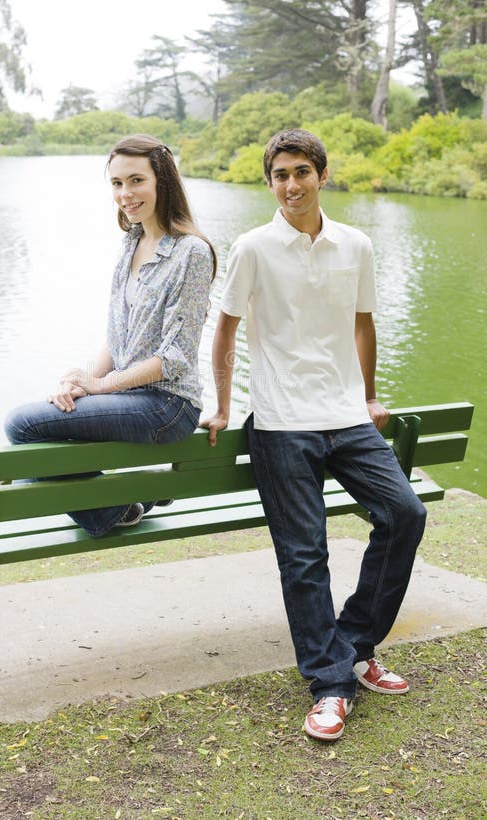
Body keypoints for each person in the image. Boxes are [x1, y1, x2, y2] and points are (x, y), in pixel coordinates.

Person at [201, 128, 426, 741]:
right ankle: (330, 682)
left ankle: (353, 644)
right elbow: (225, 331)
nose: (292, 184)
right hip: (280, 422)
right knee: (305, 554)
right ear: (270, 182)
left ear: (322, 175)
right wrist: (222, 406)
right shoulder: (252, 247)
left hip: (346, 416)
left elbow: (363, 324)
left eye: (302, 171)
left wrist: (369, 395)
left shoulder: (356, 244)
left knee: (405, 514)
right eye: (280, 175)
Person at [5, 134, 216, 536]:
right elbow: (117, 335)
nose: (125, 194)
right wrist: (83, 381)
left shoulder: (192, 252)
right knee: (33, 444)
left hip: (168, 404)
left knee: (22, 427)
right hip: (129, 396)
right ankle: (129, 501)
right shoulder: (131, 241)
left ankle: (121, 506)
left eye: (136, 180)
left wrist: (100, 387)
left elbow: (175, 357)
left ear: (163, 182)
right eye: (117, 183)